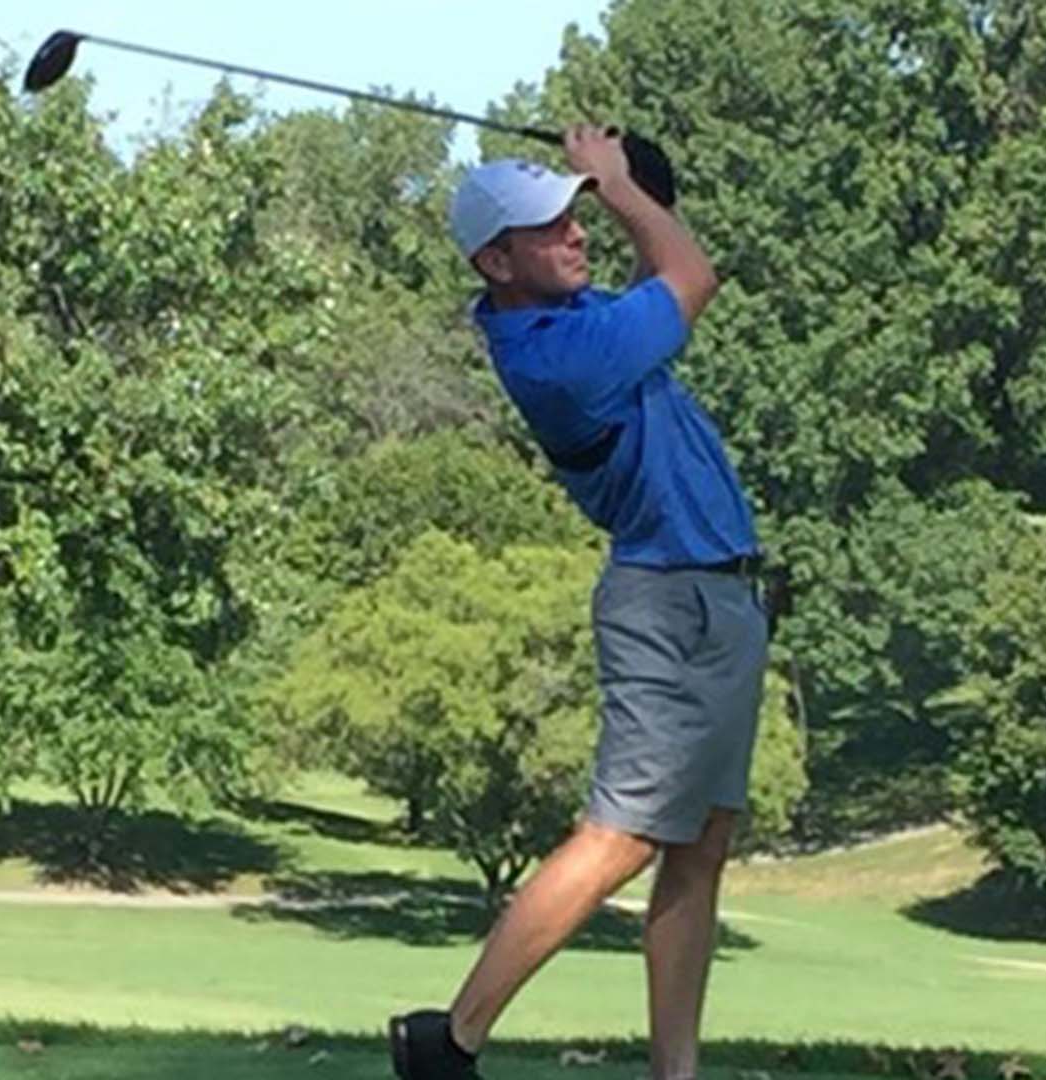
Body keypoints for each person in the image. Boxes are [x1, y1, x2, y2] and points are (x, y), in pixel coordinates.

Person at [388, 125, 768, 1080]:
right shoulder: (562, 355)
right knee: (626, 836)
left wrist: (623, 181)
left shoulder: (576, 315)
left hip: (718, 599)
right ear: (495, 260)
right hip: (668, 604)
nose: (574, 231)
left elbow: (661, 252)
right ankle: (454, 1040)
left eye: (573, 213)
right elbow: (692, 273)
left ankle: (674, 1074)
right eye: (548, 224)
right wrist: (618, 188)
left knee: (701, 847)